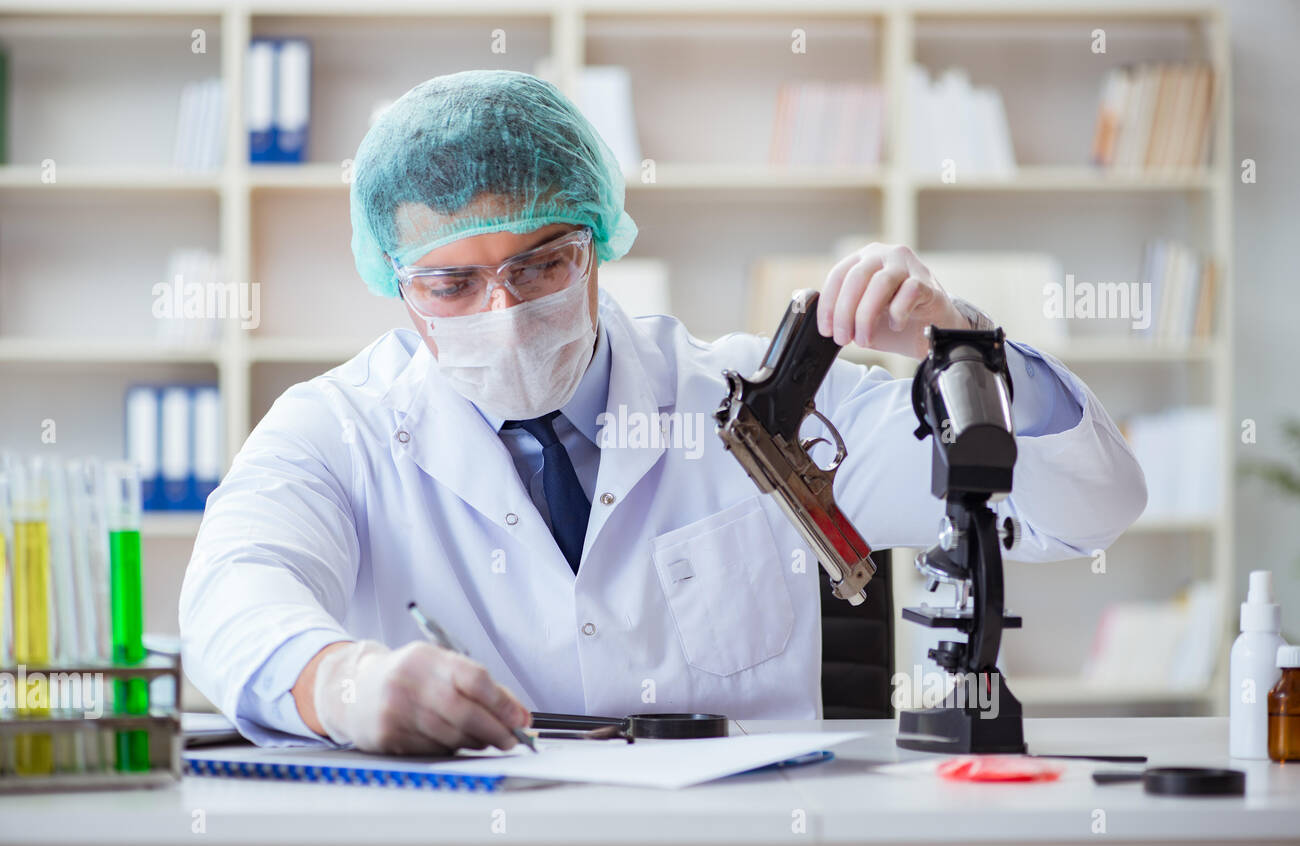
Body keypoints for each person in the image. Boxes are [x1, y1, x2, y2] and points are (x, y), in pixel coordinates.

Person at [180, 70, 1146, 755]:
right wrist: (342, 682)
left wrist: (962, 344)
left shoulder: (757, 400)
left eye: (541, 263)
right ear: (396, 285)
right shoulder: (338, 429)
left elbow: (1090, 505)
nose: (504, 312)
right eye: (452, 283)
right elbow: (232, 593)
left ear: (598, 242)